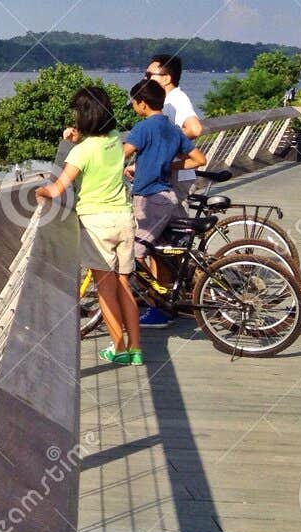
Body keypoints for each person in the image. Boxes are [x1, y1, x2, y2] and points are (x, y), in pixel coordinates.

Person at [36, 85, 141, 366]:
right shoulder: (114, 141)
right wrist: (76, 139)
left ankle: (118, 348)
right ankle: (136, 348)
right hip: (124, 218)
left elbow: (58, 188)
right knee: (124, 285)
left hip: (97, 224)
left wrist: (41, 193)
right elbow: (99, 144)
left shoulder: (80, 152)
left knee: (105, 289)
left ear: (83, 116)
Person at [125, 79, 207, 315]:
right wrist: (171, 164)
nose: (133, 106)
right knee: (162, 251)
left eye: (133, 102)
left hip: (150, 199)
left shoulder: (143, 128)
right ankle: (164, 299)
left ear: (142, 104)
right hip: (168, 196)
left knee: (135, 253)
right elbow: (200, 160)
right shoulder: (172, 128)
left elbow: (120, 154)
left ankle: (153, 307)